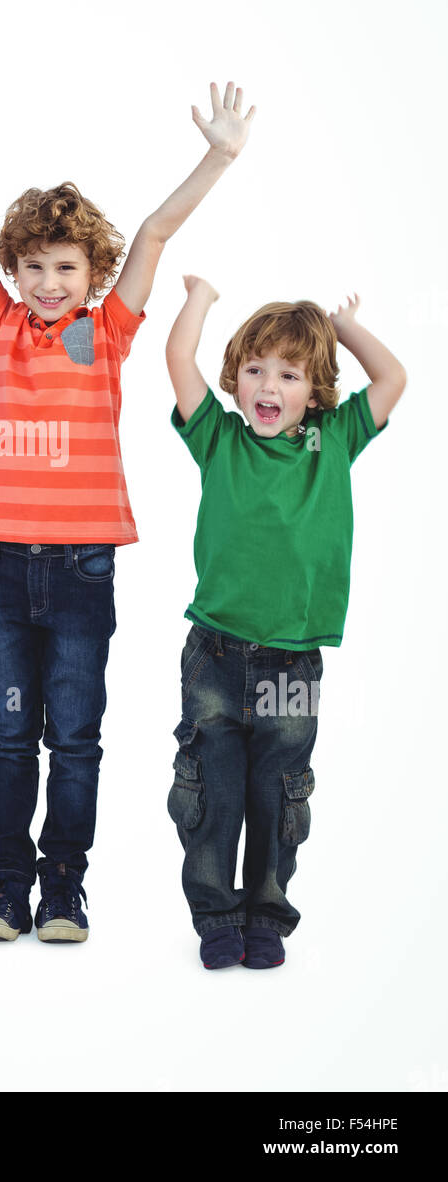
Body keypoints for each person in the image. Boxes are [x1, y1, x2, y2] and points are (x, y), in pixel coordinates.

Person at [0, 63, 254, 941]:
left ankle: (64, 887)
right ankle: (5, 887)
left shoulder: (106, 334)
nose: (46, 282)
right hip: (1, 566)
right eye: (32, 265)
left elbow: (154, 231)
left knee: (74, 737)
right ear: (13, 269)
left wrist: (218, 159)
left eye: (65, 267)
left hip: (82, 568)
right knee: (7, 736)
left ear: (93, 271)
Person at [165, 277, 406, 967]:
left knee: (279, 793)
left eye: (290, 374)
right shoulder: (218, 438)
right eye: (254, 370)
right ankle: (215, 916)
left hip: (292, 660)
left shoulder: (335, 441)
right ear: (236, 381)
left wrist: (344, 328)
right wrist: (201, 304)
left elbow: (393, 378)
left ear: (316, 390)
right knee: (210, 790)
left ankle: (266, 914)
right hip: (214, 652)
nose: (268, 386)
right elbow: (179, 362)